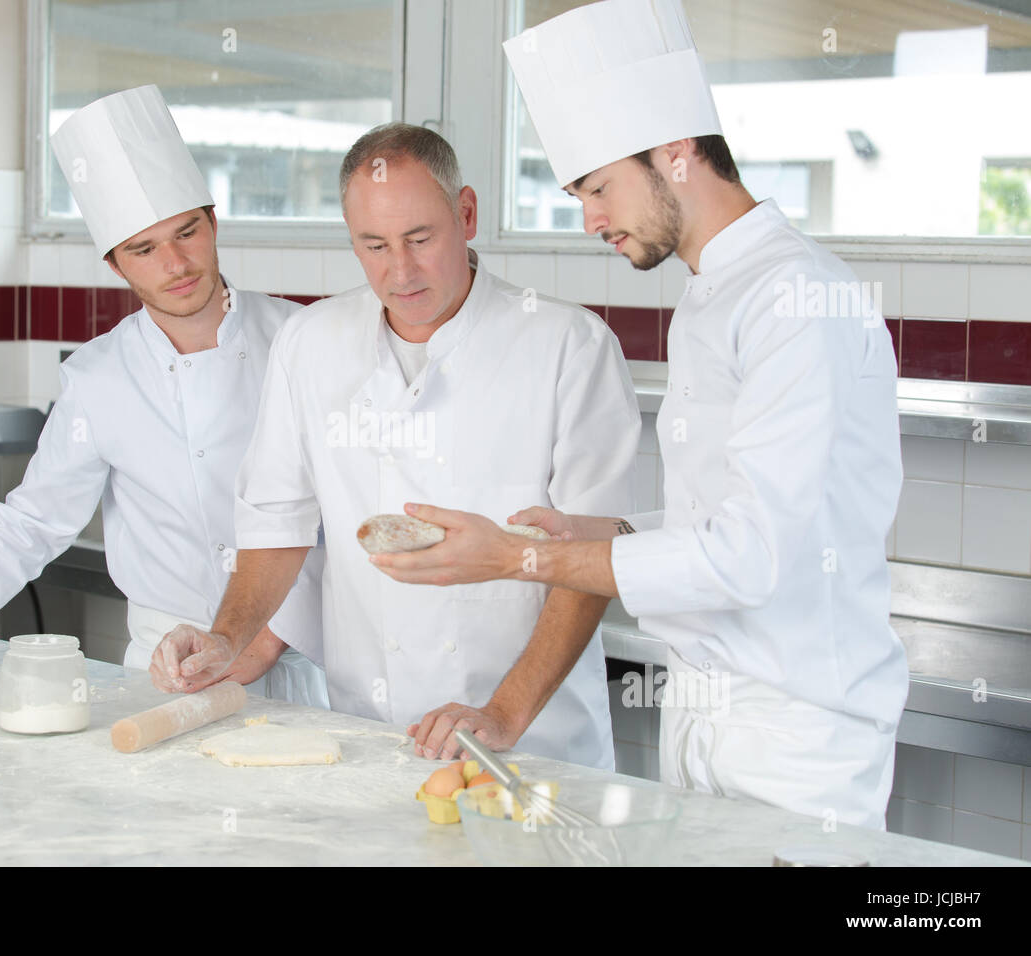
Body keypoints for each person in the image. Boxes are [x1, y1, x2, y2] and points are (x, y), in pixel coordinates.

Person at [371, 0, 907, 828]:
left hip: (800, 734)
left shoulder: (801, 301)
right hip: (706, 717)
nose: (589, 219)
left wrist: (520, 560)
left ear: (676, 152)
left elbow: (751, 557)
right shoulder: (711, 293)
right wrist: (601, 534)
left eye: (596, 187)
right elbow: (721, 513)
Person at [149, 123, 641, 768]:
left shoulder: (568, 345)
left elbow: (592, 556)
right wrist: (225, 638)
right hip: (370, 734)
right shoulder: (312, 342)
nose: (399, 271)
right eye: (374, 245)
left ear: (465, 214)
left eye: (419, 239)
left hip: (535, 742)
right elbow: (276, 522)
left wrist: (504, 713)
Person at [0, 85, 324, 701]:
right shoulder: (99, 375)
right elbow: (30, 523)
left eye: (187, 232)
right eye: (143, 248)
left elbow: (350, 512)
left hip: (295, 655)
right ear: (115, 265)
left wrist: (262, 638)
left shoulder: (302, 342)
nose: (176, 263)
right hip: (167, 670)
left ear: (213, 223)